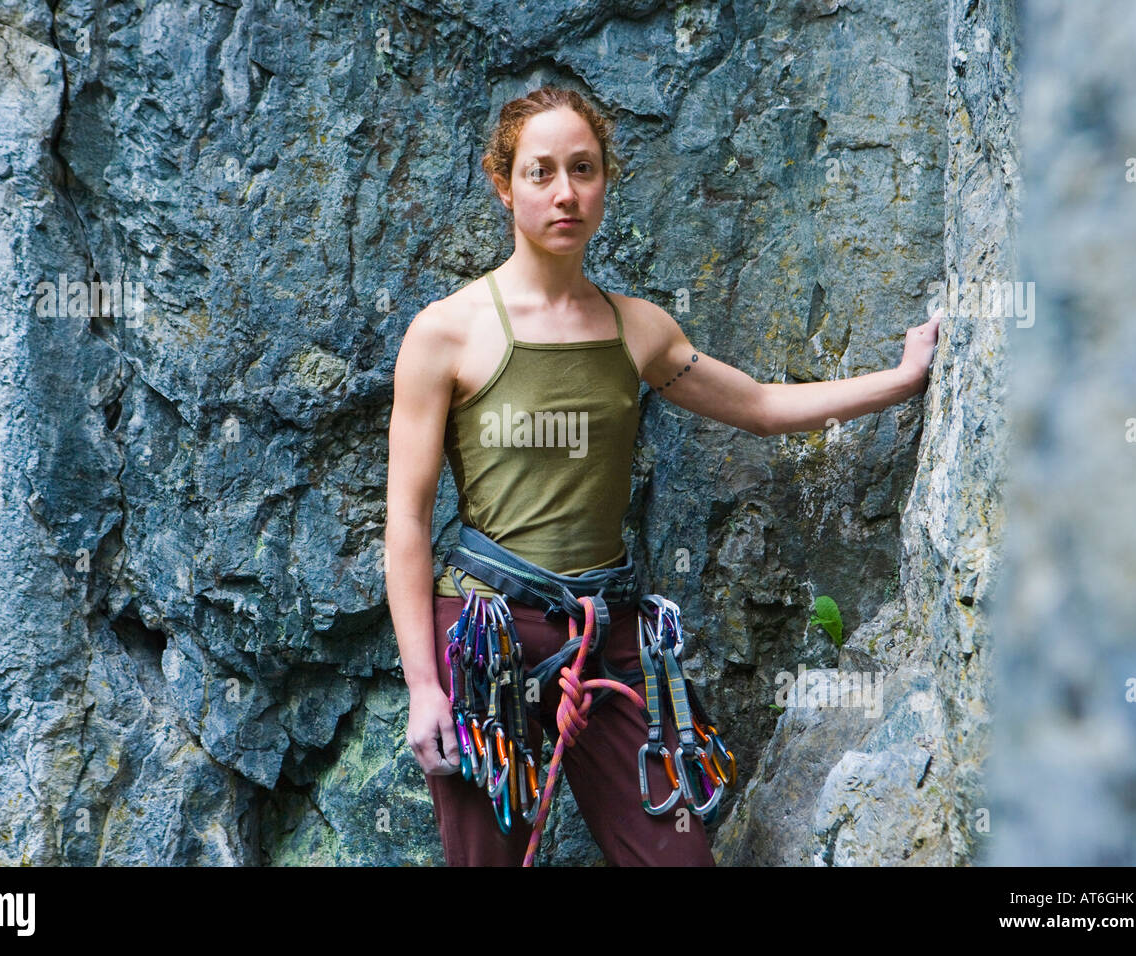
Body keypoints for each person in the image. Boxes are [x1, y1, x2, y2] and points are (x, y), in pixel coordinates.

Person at [385, 86, 941, 866]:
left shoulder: (638, 329)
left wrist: (904, 379)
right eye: (540, 172)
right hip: (486, 638)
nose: (564, 191)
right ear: (502, 183)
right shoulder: (445, 334)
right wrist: (423, 686)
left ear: (606, 180)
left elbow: (761, 406)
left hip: (605, 632)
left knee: (675, 854)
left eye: (583, 169)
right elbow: (405, 524)